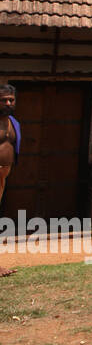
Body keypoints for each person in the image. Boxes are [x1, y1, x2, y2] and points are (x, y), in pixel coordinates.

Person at [0, 84, 18, 277]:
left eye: (11, 100)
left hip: (3, 178)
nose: (8, 103)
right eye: (4, 99)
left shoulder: (14, 124)